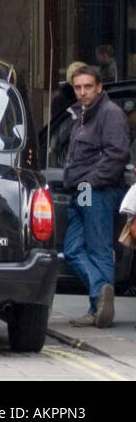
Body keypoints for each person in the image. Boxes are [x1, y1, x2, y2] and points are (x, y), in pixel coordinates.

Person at [62, 65, 128, 328]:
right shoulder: (82, 114)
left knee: (98, 248)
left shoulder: (110, 114)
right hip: (82, 190)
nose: (82, 92)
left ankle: (97, 310)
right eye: (78, 87)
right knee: (72, 249)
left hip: (96, 190)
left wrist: (88, 183)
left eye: (88, 87)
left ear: (99, 87)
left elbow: (117, 155)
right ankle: (100, 293)